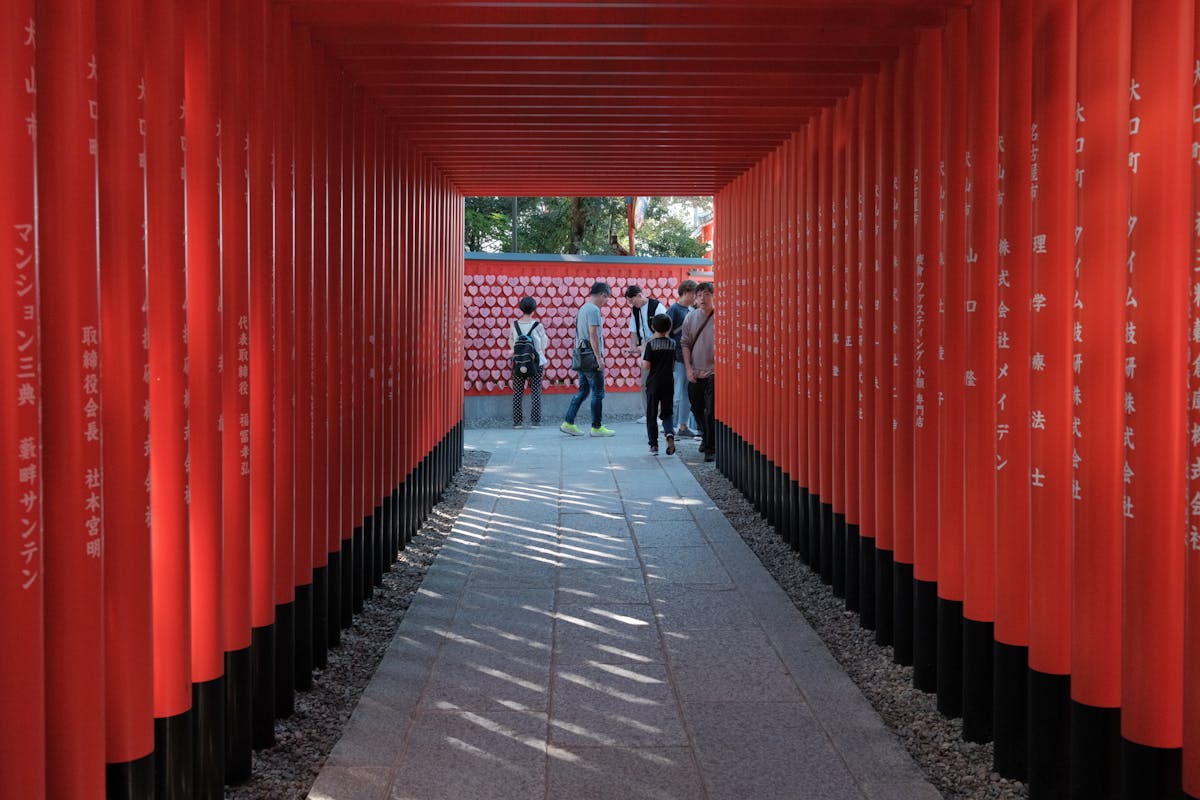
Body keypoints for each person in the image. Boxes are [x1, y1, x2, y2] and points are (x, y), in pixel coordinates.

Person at [561, 281, 616, 437]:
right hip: (591, 357)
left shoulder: (583, 308)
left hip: (581, 356)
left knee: (583, 390)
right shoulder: (594, 310)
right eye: (606, 298)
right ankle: (596, 427)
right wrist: (599, 358)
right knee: (598, 393)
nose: (606, 302)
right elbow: (593, 334)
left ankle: (568, 422)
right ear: (601, 295)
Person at [681, 281, 716, 462]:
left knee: (710, 410)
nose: (703, 298)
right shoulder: (690, 317)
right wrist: (688, 368)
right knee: (696, 407)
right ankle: (704, 435)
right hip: (694, 370)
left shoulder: (720, 317)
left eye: (707, 294)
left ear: (714, 296)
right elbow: (685, 344)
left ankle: (710, 448)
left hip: (713, 372)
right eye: (700, 294)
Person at [624, 284, 668, 422]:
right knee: (645, 383)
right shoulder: (635, 310)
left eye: (632, 300)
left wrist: (644, 345)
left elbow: (662, 330)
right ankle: (649, 414)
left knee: (658, 384)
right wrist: (632, 346)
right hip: (645, 352)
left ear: (639, 295)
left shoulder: (657, 307)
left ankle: (660, 415)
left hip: (659, 349)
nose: (631, 304)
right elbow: (633, 329)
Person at [509, 295, 549, 428]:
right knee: (536, 391)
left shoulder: (514, 325)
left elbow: (511, 342)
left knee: (517, 392)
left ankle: (517, 422)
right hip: (536, 363)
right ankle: (535, 422)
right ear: (534, 310)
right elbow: (543, 345)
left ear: (521, 309)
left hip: (519, 362)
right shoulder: (538, 325)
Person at [665, 279, 699, 437]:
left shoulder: (690, 310)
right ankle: (671, 425)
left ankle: (683, 426)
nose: (696, 297)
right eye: (694, 293)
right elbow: (664, 333)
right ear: (686, 292)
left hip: (688, 357)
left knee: (685, 393)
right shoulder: (674, 309)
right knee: (678, 393)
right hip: (677, 357)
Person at [641, 313, 677, 455]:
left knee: (652, 414)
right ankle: (669, 433)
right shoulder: (672, 344)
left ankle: (654, 445)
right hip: (668, 382)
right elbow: (673, 364)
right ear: (669, 328)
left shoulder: (651, 344)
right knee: (667, 412)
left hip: (653, 384)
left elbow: (646, 365)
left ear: (652, 327)